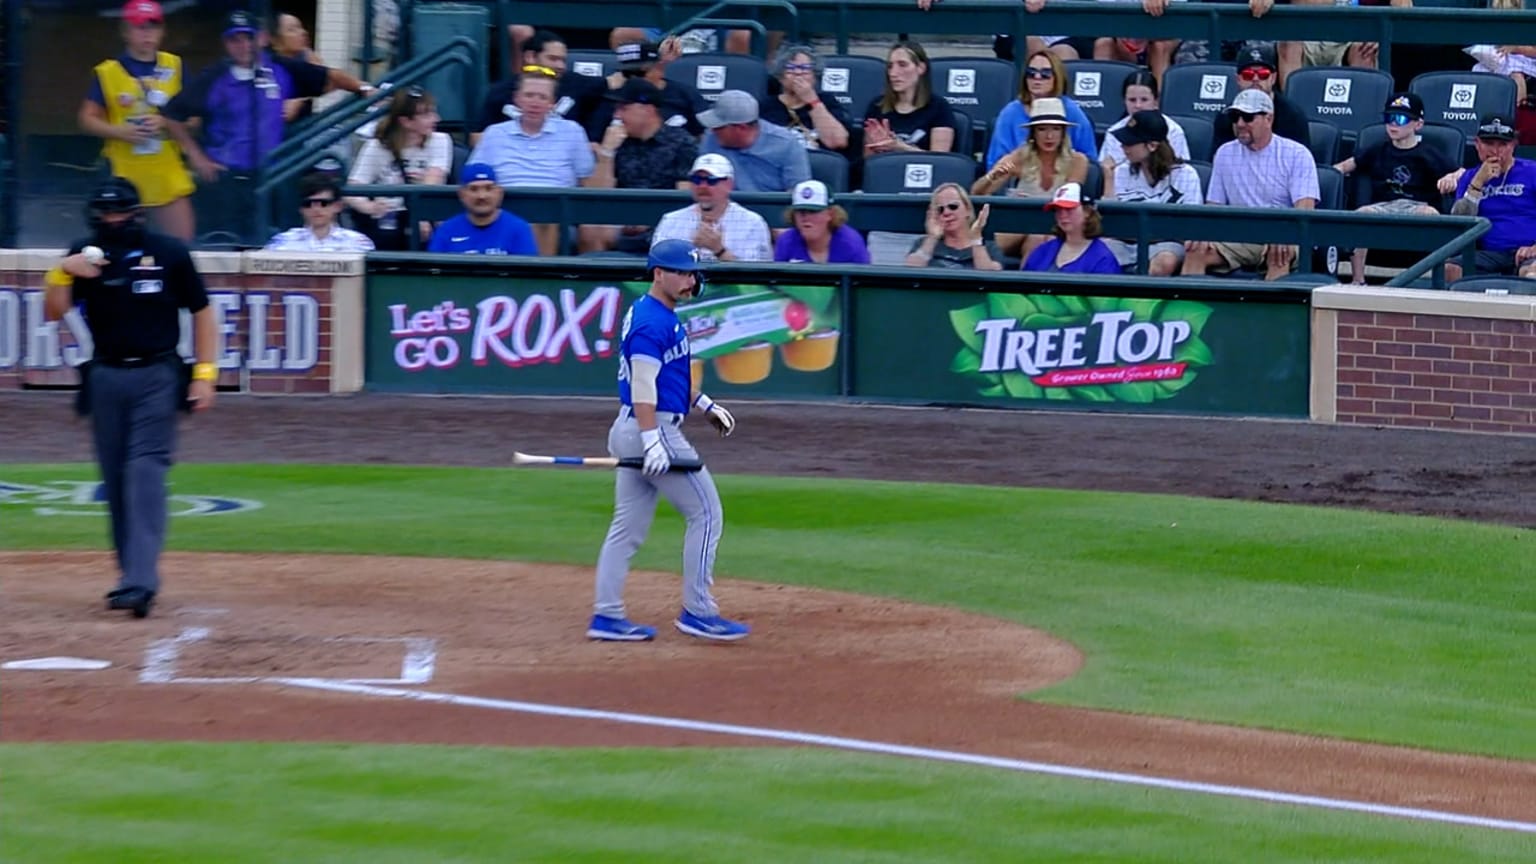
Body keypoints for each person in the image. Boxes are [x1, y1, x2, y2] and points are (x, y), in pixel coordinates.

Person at [41, 177, 216, 620]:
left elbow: (203, 312)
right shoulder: (83, 254)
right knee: (116, 480)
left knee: (144, 471)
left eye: (120, 211)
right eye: (106, 213)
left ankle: (141, 581)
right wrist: (62, 272)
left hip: (158, 373)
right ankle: (128, 576)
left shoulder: (170, 252)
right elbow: (53, 311)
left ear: (136, 212)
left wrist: (206, 375)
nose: (113, 220)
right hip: (105, 376)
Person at [589, 239, 749, 643]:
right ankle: (698, 611)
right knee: (707, 513)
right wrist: (653, 441)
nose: (690, 280)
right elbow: (644, 387)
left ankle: (606, 616)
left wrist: (705, 403)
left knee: (627, 529)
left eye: (692, 273)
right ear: (658, 273)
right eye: (681, 272)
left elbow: (669, 376)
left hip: (634, 428)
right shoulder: (651, 323)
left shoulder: (658, 315)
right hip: (649, 426)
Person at [162, 10, 333, 244]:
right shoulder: (218, 76)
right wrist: (197, 157)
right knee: (227, 242)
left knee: (277, 241)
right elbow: (172, 114)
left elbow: (326, 81)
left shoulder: (284, 69)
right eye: (235, 39)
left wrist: (363, 89)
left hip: (277, 172)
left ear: (260, 38)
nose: (244, 45)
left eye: (248, 38)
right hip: (229, 175)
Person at [78, 0, 196, 242]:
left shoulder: (175, 66)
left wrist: (165, 123)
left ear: (162, 31)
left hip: (166, 169)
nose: (147, 34)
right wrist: (120, 131)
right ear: (126, 31)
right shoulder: (109, 71)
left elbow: (195, 120)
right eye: (140, 27)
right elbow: (86, 119)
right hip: (122, 171)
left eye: (153, 27)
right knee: (119, 245)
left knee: (181, 246)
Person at [1184, 89, 1320, 280]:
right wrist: (1203, 233)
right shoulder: (1224, 153)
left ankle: (1267, 308)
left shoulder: (1297, 154)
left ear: (1269, 119)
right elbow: (1214, 207)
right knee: (1196, 249)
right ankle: (1188, 307)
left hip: (1286, 233)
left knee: (1279, 253)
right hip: (1239, 235)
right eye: (1235, 117)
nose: (1240, 124)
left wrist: (1286, 235)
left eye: (1248, 117)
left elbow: (1305, 212)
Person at [470, 66, 596, 255]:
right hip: (504, 207)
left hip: (555, 211)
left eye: (542, 97)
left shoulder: (572, 131)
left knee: (542, 218)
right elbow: (473, 176)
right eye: (529, 95)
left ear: (552, 103)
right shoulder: (494, 133)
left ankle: (540, 277)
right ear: (517, 99)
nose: (535, 103)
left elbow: (586, 178)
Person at [1332, 93, 1455, 284]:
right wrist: (1329, 173)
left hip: (1417, 206)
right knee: (1361, 214)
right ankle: (1358, 281)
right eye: (1389, 118)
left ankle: (1438, 280)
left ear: (1418, 124)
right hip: (1384, 206)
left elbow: (1462, 171)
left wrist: (1451, 177)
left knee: (1431, 214)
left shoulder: (1429, 153)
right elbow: (1347, 165)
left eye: (1400, 119)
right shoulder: (1378, 148)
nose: (1393, 124)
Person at [578, 77, 699, 254]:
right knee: (589, 229)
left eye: (623, 109)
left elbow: (684, 196)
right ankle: (599, 280)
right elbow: (597, 196)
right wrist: (606, 153)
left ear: (647, 109)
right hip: (622, 219)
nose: (617, 116)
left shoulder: (682, 143)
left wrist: (649, 219)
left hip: (666, 221)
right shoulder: (618, 140)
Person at [973, 97, 1088, 259]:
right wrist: (992, 176)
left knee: (1038, 238)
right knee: (1035, 234)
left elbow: (1069, 202)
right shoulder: (1020, 157)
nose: (1049, 136)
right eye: (1042, 129)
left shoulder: (1078, 161)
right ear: (1033, 133)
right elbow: (977, 194)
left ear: (1063, 133)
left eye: (1055, 129)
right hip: (1018, 228)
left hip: (1058, 226)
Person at [344, 86, 451, 250]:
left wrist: (420, 216)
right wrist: (370, 207)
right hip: (388, 219)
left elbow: (433, 181)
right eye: (426, 114)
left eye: (434, 112)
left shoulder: (440, 140)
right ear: (405, 121)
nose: (436, 119)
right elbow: (353, 189)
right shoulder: (376, 146)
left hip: (422, 212)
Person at [1102, 111, 1204, 274]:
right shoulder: (1120, 171)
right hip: (1125, 244)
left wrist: (1139, 232)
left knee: (1164, 262)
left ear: (1152, 145)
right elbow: (1110, 223)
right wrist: (1108, 178)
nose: (1123, 147)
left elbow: (1188, 227)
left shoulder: (1185, 174)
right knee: (1097, 254)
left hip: (1165, 245)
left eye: (1130, 142)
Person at [1448, 113, 1536, 280]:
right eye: (1488, 143)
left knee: (1533, 273)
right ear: (1477, 144)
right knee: (1449, 270)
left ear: (1513, 145)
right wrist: (1477, 183)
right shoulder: (1469, 177)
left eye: (1502, 144)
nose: (1495, 151)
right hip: (1487, 253)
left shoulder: (1532, 171)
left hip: (1529, 251)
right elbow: (1459, 224)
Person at [651, 154, 773, 263]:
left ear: (729, 184)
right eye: (697, 180)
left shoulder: (752, 223)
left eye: (711, 181)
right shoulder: (671, 221)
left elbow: (755, 279)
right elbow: (657, 269)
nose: (703, 186)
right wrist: (691, 248)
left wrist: (719, 250)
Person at [699, 90, 812, 193]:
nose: (712, 130)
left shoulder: (787, 144)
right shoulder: (711, 138)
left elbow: (797, 193)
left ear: (741, 128)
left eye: (719, 127)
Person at [1211, 43, 1312, 153]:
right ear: (1238, 79)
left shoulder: (1293, 116)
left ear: (1273, 78)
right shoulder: (1227, 116)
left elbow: (1302, 161)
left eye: (1263, 74)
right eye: (1248, 74)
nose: (1255, 79)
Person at [863, 40, 957, 156]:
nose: (893, 73)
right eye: (890, 66)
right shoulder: (877, 106)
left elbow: (938, 160)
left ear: (921, 68)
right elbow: (867, 162)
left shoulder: (939, 107)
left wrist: (899, 147)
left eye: (902, 65)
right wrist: (877, 147)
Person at [426, 163, 539, 255]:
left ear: (499, 193)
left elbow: (527, 276)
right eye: (474, 189)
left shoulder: (518, 228)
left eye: (489, 188)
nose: (482, 196)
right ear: (462, 194)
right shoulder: (447, 230)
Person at [761, 43, 854, 155]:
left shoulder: (828, 102)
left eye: (805, 68)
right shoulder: (765, 106)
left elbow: (837, 142)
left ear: (815, 76)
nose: (798, 73)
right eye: (790, 68)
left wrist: (812, 101)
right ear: (780, 76)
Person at [1098, 70, 1191, 175]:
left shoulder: (1174, 131)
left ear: (1156, 101)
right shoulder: (1113, 132)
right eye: (1132, 100)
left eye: (1144, 100)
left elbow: (1179, 169)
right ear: (1124, 101)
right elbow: (1109, 169)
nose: (1138, 105)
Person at [1022, 183, 1123, 274]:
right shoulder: (1043, 250)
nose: (1062, 215)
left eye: (1069, 209)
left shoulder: (1102, 258)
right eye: (1058, 210)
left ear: (1087, 212)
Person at [265, 173, 375, 252]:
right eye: (308, 204)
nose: (316, 209)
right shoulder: (281, 243)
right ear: (301, 209)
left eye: (323, 203)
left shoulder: (359, 244)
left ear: (338, 206)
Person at [905, 183, 1003, 270]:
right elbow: (910, 270)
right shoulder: (923, 244)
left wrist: (976, 240)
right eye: (940, 209)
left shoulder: (989, 247)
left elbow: (989, 278)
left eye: (953, 206)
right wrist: (932, 237)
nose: (946, 212)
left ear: (968, 210)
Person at [775, 180, 871, 264]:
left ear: (830, 214)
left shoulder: (851, 243)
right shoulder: (786, 242)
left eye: (813, 212)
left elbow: (864, 282)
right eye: (801, 212)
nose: (806, 218)